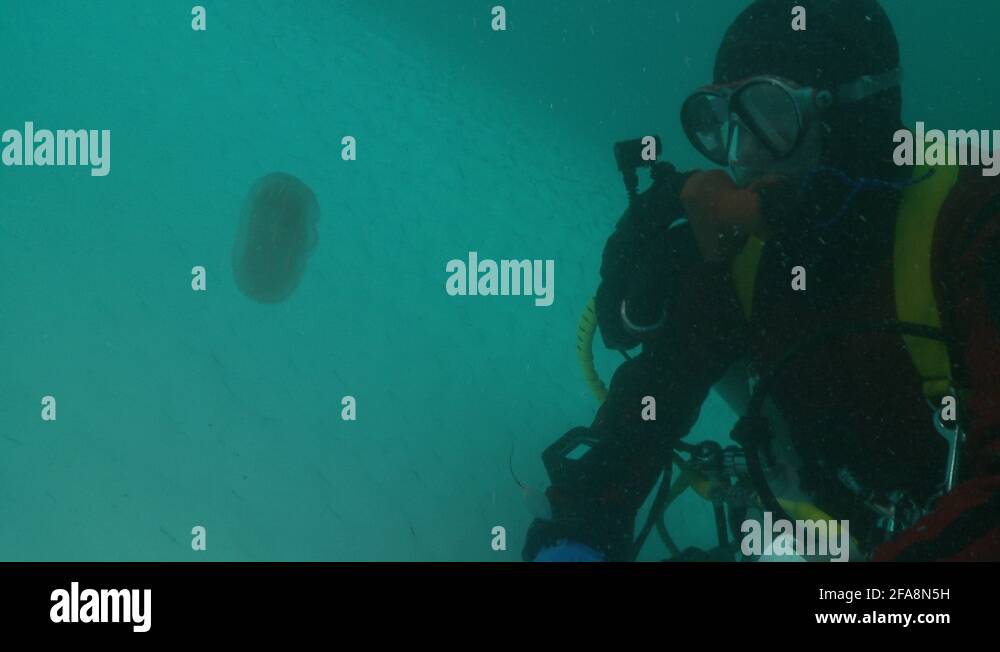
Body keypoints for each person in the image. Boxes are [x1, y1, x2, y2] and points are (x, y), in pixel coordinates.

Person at [523, 0, 1000, 562]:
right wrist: (582, 531)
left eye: (771, 114)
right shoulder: (745, 259)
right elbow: (654, 395)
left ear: (852, 118)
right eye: (720, 121)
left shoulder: (970, 229)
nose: (740, 155)